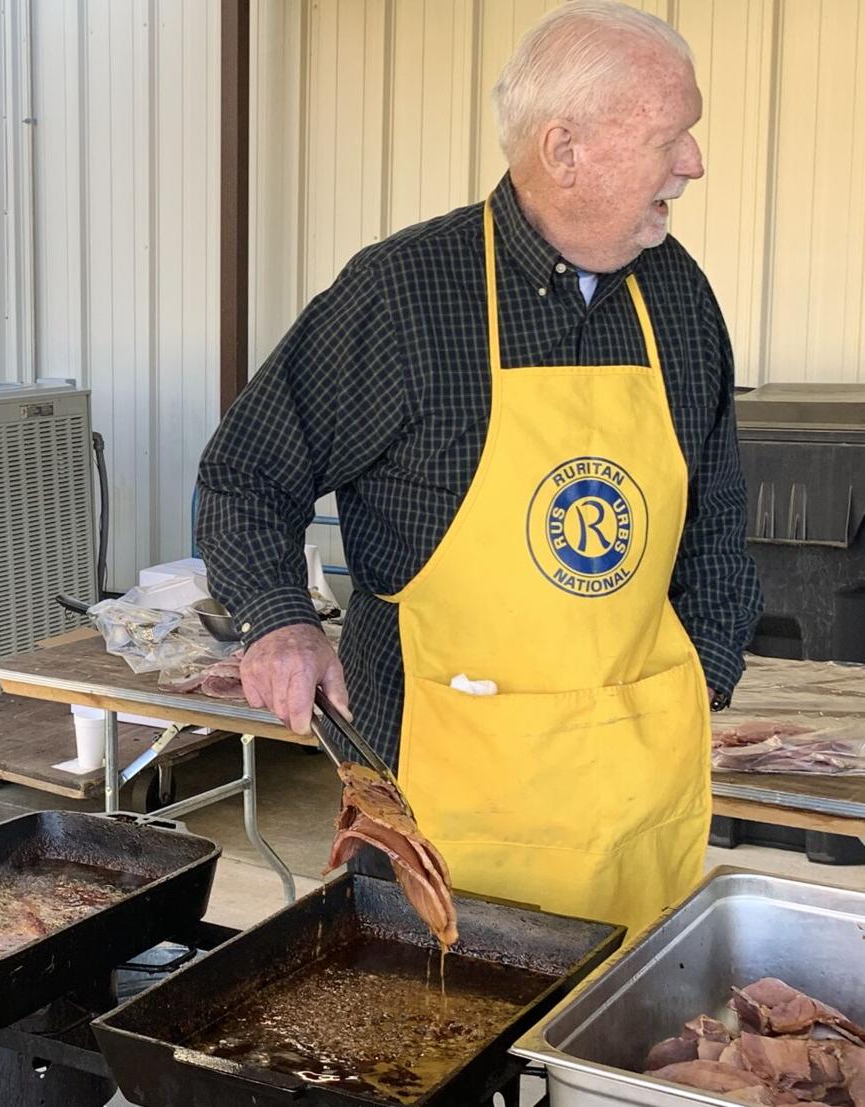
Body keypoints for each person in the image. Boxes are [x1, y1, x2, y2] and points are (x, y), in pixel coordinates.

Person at [195, 1, 761, 937]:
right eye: (672, 136)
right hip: (442, 801)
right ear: (564, 149)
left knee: (610, 1063)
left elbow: (715, 526)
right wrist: (280, 623)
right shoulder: (407, 294)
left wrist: (699, 679)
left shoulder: (681, 297)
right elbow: (247, 474)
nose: (694, 161)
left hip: (632, 795)